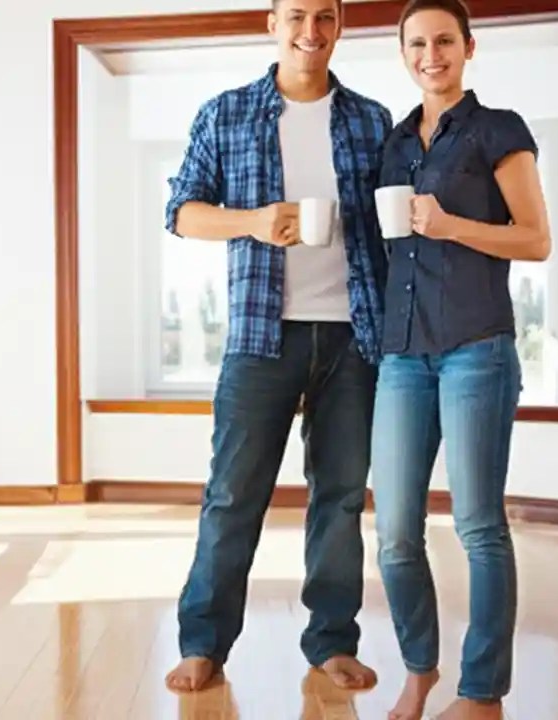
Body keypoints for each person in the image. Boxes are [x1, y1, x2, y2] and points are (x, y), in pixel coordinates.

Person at [162, 0, 393, 693]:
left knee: (342, 495)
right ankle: (204, 643)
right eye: (296, 15)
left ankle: (331, 640)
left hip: (355, 336)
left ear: (340, 25)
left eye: (325, 16)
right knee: (233, 495)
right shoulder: (226, 113)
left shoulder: (371, 120)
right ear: (272, 23)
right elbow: (181, 213)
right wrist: (254, 222)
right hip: (262, 336)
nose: (310, 31)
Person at [370, 1, 552, 719]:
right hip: (401, 357)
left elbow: (535, 239)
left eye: (444, 40)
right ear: (403, 52)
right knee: (392, 533)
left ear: (468, 47)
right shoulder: (392, 144)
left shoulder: (497, 129)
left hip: (477, 348)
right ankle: (419, 671)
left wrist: (448, 224)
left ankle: (482, 694)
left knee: (478, 524)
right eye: (417, 42)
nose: (430, 54)